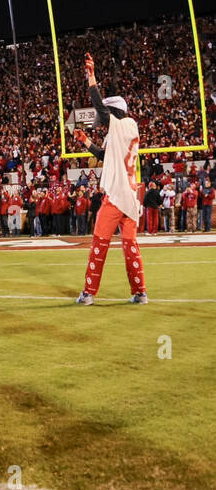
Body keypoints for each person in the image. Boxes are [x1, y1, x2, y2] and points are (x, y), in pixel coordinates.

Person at [74, 53, 147, 305]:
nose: (103, 121)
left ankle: (88, 293)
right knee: (130, 245)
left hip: (116, 196)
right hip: (131, 196)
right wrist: (86, 142)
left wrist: (91, 77)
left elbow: (101, 110)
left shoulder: (118, 124)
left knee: (99, 243)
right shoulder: (130, 128)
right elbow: (106, 154)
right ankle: (140, 292)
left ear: (114, 112)